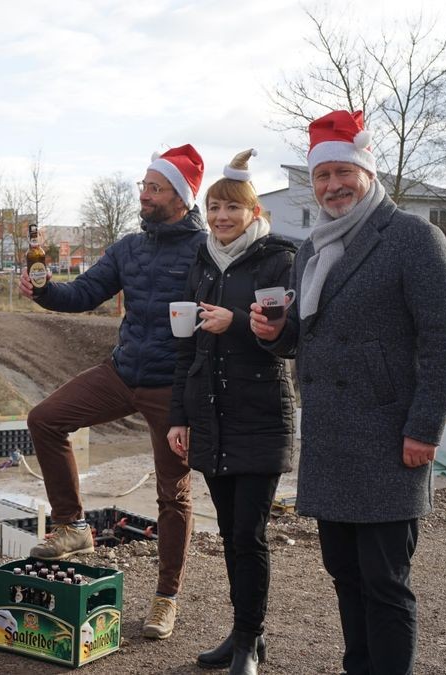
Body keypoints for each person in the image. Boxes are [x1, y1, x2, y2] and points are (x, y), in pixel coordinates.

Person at [251, 110, 446, 675]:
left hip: (390, 438)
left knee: (386, 582)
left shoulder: (414, 238)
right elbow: (309, 338)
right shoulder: (312, 249)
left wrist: (425, 429)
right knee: (344, 574)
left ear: (367, 173)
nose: (332, 186)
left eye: (343, 172)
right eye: (322, 177)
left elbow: (444, 341)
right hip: (331, 438)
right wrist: (277, 334)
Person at [20, 144, 207, 640]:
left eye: (154, 187)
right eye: (143, 185)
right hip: (123, 372)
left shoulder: (205, 251)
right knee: (45, 418)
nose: (143, 194)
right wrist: (42, 290)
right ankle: (73, 526)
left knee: (174, 494)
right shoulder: (129, 247)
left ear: (181, 197)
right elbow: (83, 294)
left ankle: (166, 597)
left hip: (173, 386)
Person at [167, 149, 295, 675]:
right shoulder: (202, 263)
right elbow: (184, 349)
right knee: (228, 533)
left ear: (252, 211)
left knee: (249, 534)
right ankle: (243, 635)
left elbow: (285, 339)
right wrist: (180, 415)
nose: (221, 217)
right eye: (215, 207)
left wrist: (237, 322)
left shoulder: (278, 259)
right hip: (211, 416)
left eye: (232, 209)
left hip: (261, 413)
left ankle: (249, 641)